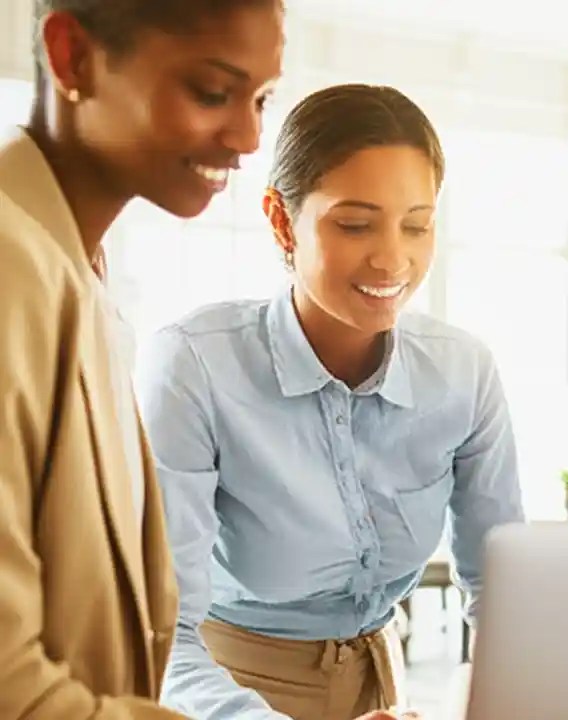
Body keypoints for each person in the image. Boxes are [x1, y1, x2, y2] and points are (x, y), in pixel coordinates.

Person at [135, 83, 525, 720]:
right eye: (354, 224)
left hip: (384, 689)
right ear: (281, 220)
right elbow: (156, 640)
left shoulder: (464, 373)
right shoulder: (194, 367)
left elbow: (505, 598)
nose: (392, 258)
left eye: (418, 226)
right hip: (226, 696)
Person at [0, 0, 284, 716]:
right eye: (212, 92)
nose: (250, 135)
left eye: (261, 97)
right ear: (73, 58)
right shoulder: (10, 271)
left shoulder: (75, 269)